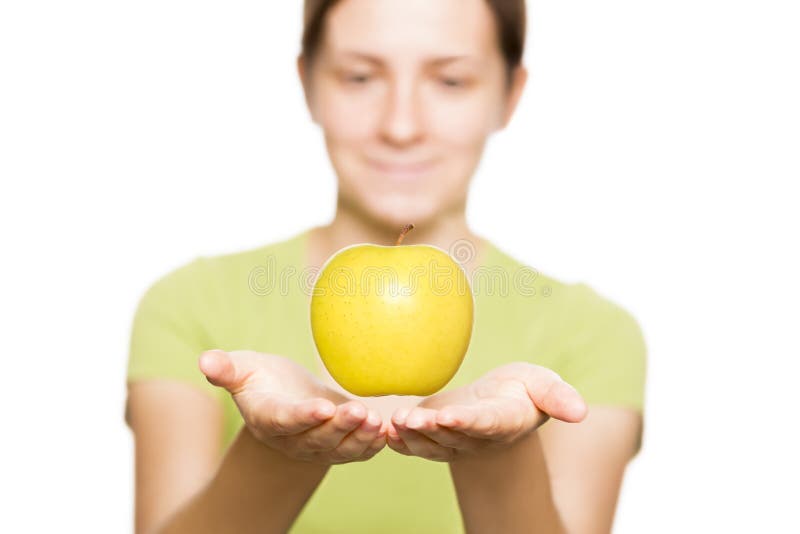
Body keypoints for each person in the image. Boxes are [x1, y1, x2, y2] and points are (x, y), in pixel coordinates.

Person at [124, 1, 647, 532]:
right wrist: (276, 453)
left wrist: (498, 455)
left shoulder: (592, 335)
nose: (401, 126)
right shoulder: (191, 308)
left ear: (510, 95)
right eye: (359, 77)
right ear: (308, 85)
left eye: (450, 81)